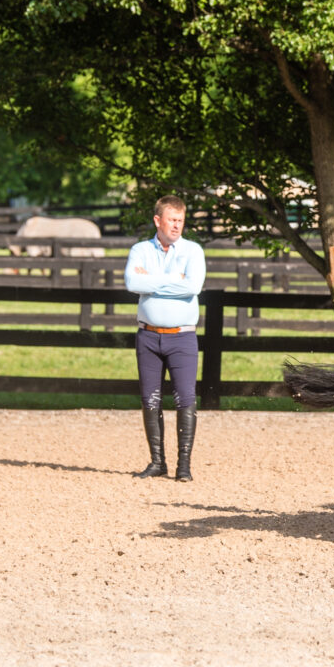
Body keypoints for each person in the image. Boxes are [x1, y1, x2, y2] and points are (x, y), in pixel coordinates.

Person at [125, 195, 207, 480]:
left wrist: (153, 282)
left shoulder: (193, 251)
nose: (177, 226)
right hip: (148, 337)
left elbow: (193, 287)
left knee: (185, 398)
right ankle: (157, 461)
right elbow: (132, 282)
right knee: (150, 398)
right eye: (172, 220)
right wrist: (174, 280)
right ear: (157, 220)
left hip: (181, 338)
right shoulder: (139, 250)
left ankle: (184, 465)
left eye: (180, 220)